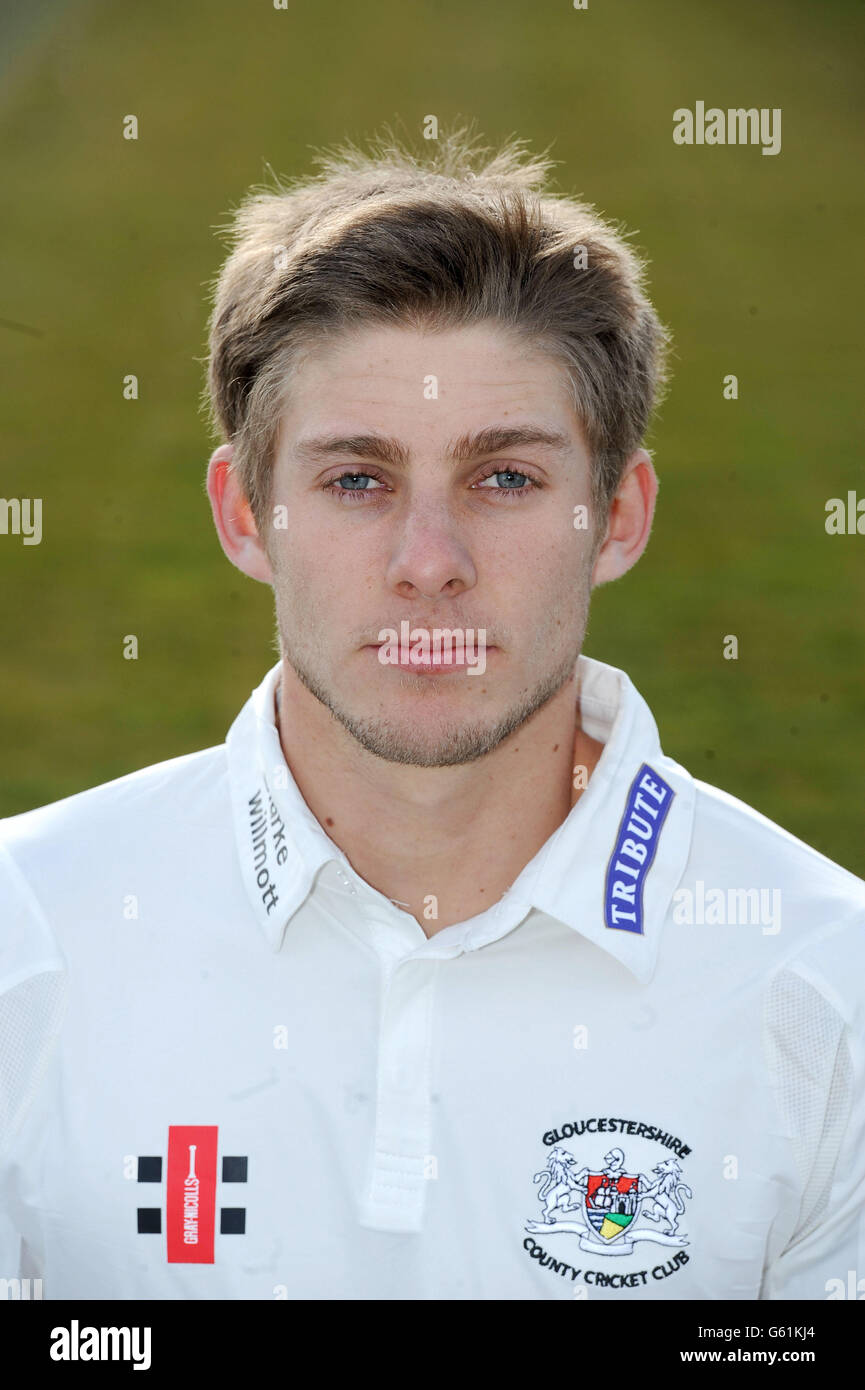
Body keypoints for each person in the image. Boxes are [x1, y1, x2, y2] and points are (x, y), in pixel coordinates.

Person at [1, 129, 862, 1301]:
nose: (429, 563)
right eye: (357, 479)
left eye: (504, 477)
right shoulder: (27, 934)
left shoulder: (828, 986)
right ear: (246, 514)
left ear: (614, 516)